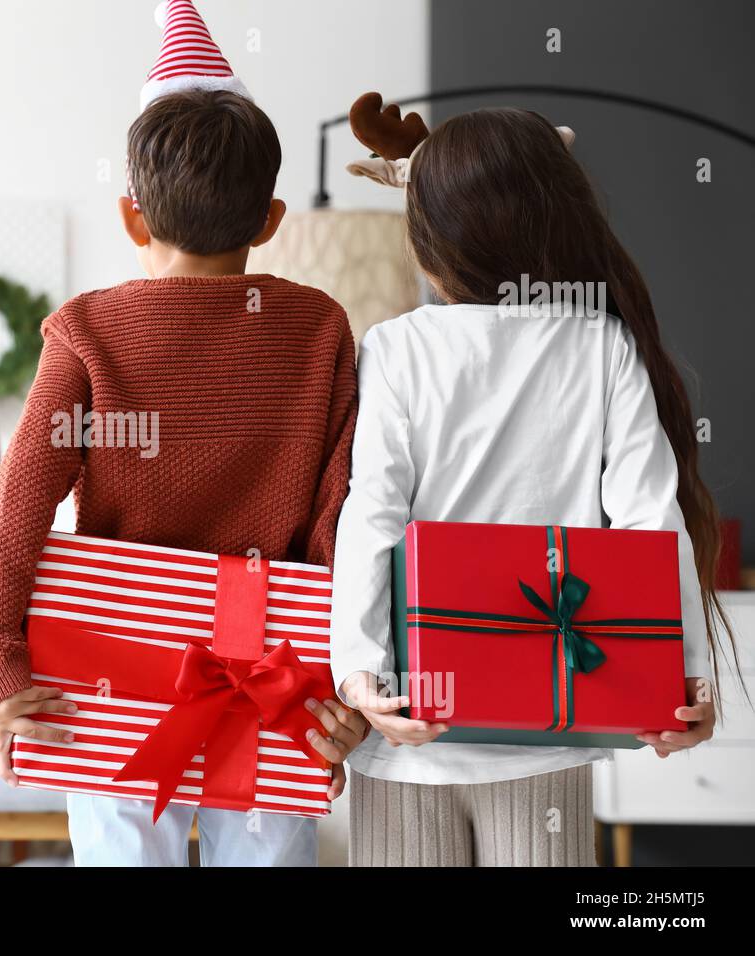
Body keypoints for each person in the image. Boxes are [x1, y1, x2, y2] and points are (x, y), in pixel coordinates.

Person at [0, 0, 368, 867]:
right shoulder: (319, 328)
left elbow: (16, 506)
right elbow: (344, 517)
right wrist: (342, 683)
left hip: (109, 665)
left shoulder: (88, 329)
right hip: (275, 665)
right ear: (270, 219)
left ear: (132, 216)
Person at [332, 100, 734, 865]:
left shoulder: (394, 349)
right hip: (549, 729)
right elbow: (653, 524)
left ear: (424, 246)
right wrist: (685, 678)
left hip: (411, 728)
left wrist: (358, 675)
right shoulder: (603, 344)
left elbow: (372, 514)